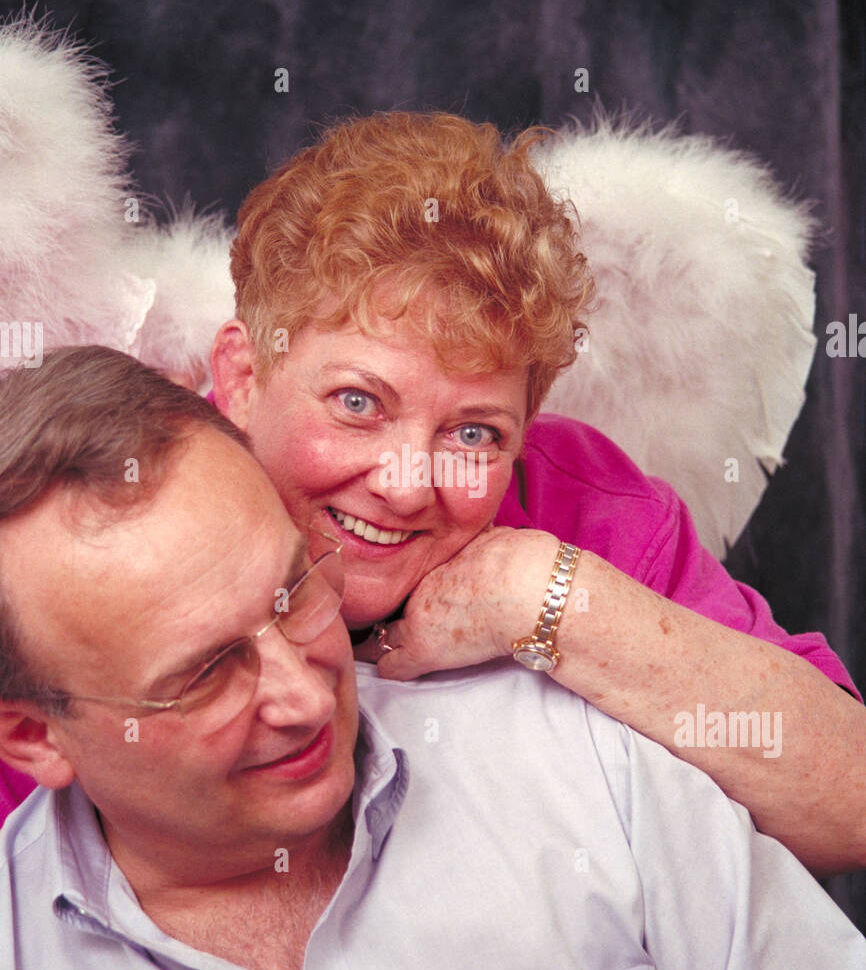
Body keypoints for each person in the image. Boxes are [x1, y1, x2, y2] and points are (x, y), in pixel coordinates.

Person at [1, 347, 865, 970]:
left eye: (296, 592)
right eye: (204, 674)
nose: (305, 696)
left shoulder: (591, 763)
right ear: (36, 735)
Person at [0, 112, 863, 875]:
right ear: (242, 373)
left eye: (475, 433)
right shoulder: (107, 521)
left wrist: (546, 598)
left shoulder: (581, 505)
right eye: (357, 403)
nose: (407, 486)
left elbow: (848, 797)